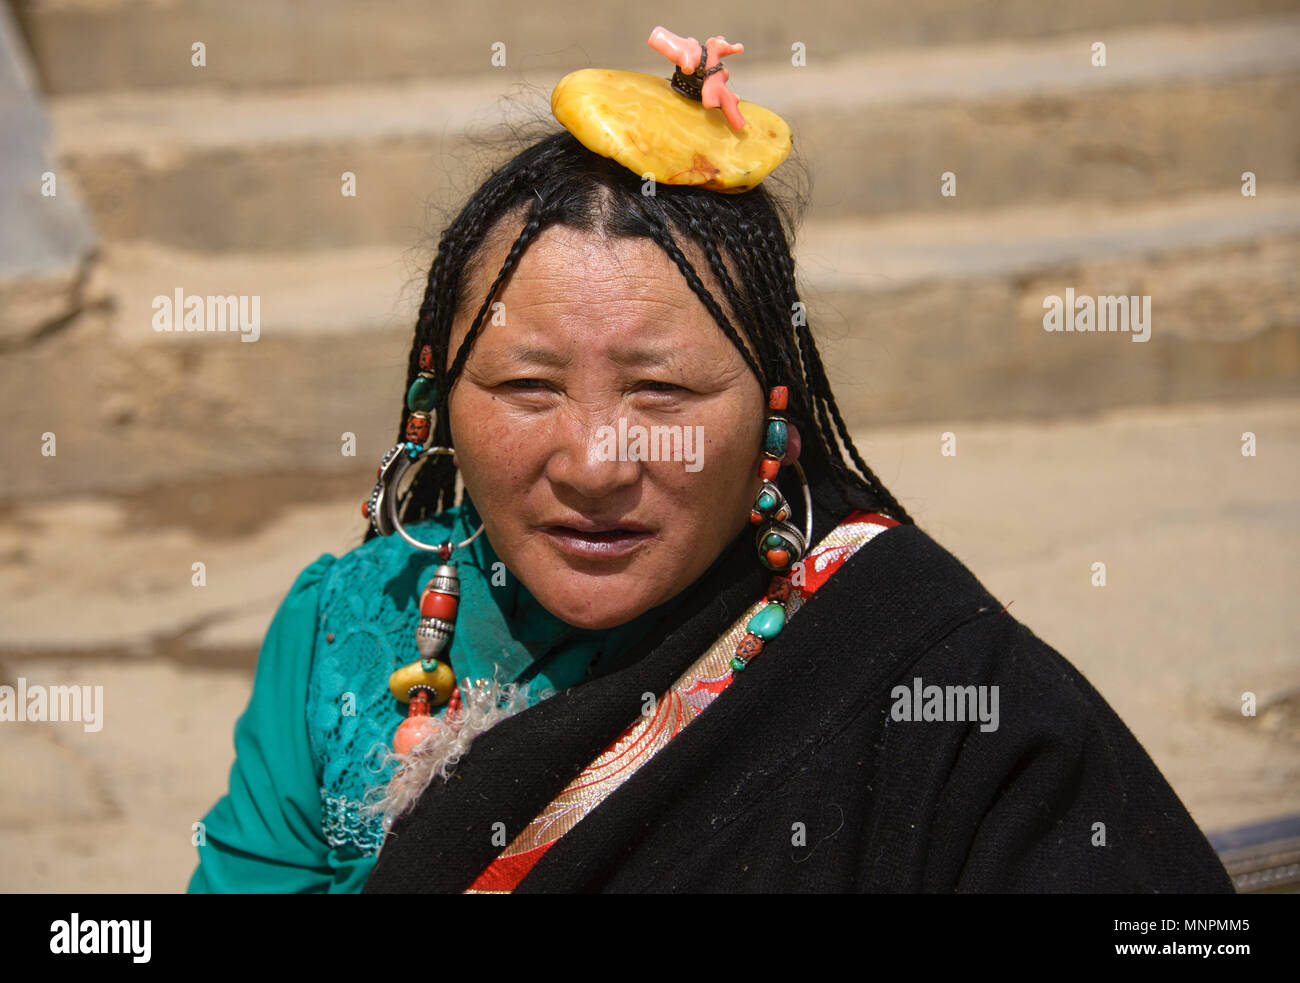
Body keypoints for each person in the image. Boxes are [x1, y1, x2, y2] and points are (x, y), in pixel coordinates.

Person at [188, 28, 1233, 894]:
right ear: (434, 401)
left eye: (664, 392)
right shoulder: (337, 634)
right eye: (525, 388)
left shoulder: (914, 659)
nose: (596, 463)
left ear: (775, 410)